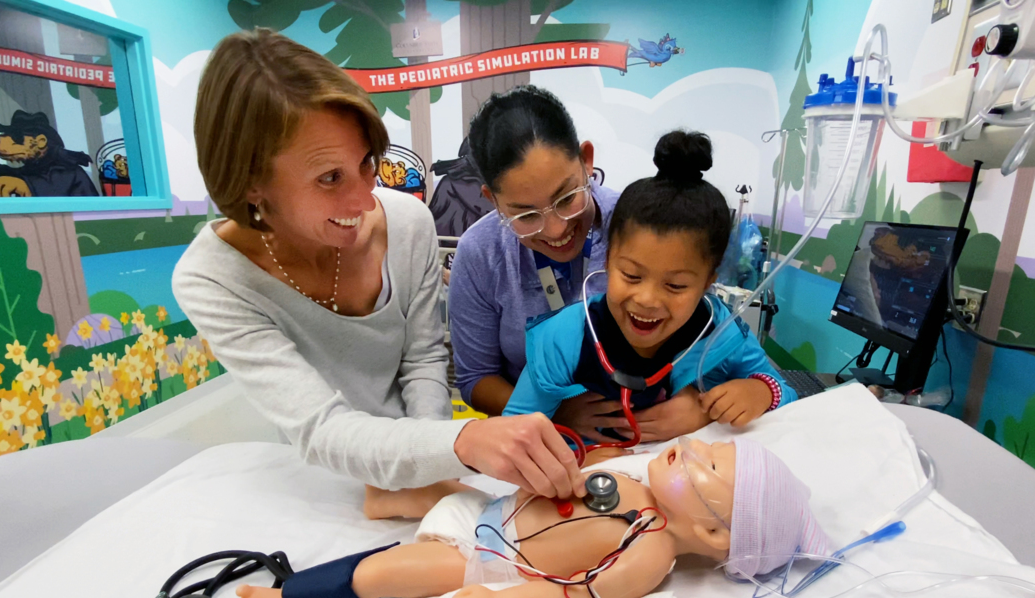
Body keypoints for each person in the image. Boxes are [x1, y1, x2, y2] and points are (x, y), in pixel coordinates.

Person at [173, 31, 583, 518]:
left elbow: (425, 359)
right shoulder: (212, 279)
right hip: (326, 483)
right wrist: (460, 443)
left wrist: (430, 467)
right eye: (330, 178)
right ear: (251, 184)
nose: (366, 201)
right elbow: (320, 429)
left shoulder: (407, 223)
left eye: (367, 163)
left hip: (431, 457)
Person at [230, 436, 832, 598]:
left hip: (482, 558)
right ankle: (394, 498)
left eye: (710, 467)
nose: (693, 446)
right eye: (709, 445)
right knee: (448, 490)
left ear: (709, 531)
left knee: (381, 572)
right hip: (492, 506)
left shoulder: (648, 553)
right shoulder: (644, 479)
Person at [502, 131, 798, 443]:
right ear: (609, 260)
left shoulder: (720, 332)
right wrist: (563, 426)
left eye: (675, 285)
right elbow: (512, 434)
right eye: (630, 275)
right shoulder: (565, 339)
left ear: (708, 282)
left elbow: (787, 396)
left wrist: (762, 391)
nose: (647, 299)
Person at [447, 86, 623, 437]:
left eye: (567, 197)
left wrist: (688, 406)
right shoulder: (481, 253)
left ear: (586, 160)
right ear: (492, 200)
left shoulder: (635, 224)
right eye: (525, 215)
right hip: (536, 435)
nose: (557, 229)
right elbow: (476, 378)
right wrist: (552, 414)